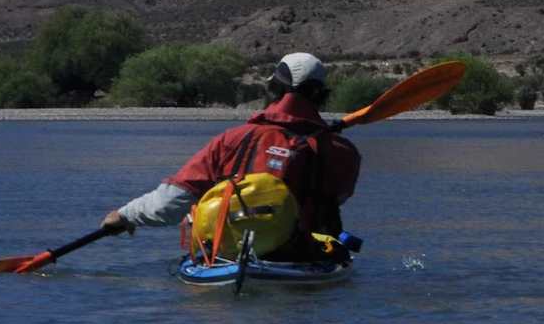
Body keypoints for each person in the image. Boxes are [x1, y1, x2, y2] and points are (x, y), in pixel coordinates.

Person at [102, 52, 360, 260]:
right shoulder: (344, 152)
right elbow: (336, 199)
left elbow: (171, 202)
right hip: (303, 257)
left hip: (228, 255)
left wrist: (125, 216)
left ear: (273, 90)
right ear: (321, 96)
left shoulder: (233, 139)